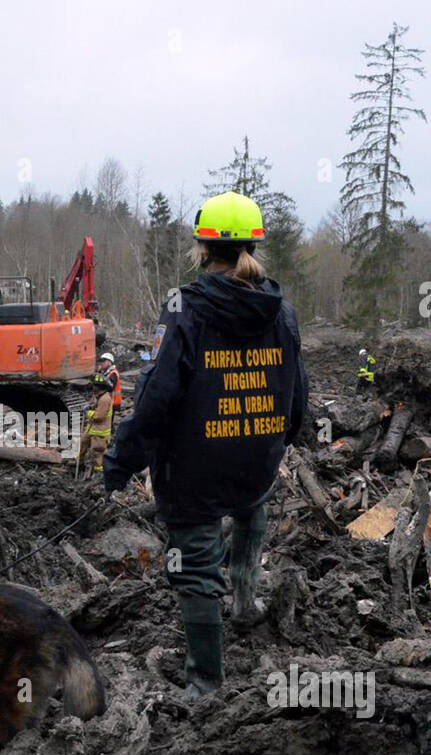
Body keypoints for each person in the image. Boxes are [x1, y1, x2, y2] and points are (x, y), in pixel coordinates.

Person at [103, 190, 307, 701]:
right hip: (256, 460)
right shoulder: (281, 313)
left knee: (195, 566)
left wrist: (121, 460)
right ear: (253, 246)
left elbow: (154, 398)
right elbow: (297, 395)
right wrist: (278, 442)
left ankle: (204, 683)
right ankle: (244, 603)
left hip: (194, 470)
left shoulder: (185, 309)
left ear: (202, 247)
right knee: (250, 508)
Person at [76, 374, 113, 477]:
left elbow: (99, 417)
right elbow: (95, 406)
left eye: (95, 385)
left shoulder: (105, 399)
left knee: (97, 452)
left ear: (100, 387)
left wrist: (88, 413)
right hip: (92, 429)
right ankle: (78, 463)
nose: (93, 387)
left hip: (100, 432)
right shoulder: (98, 396)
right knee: (82, 442)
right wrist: (91, 406)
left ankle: (99, 472)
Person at [98, 351, 122, 420]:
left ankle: (112, 431)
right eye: (101, 361)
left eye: (103, 361)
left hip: (112, 402)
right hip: (107, 402)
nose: (101, 363)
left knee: (108, 422)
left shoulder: (113, 373)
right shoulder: (105, 372)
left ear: (109, 362)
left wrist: (102, 378)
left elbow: (110, 387)